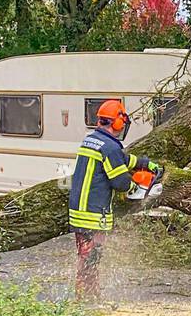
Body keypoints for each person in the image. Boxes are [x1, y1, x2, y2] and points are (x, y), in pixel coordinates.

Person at [68, 98, 162, 300]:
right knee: (90, 260)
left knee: (87, 259)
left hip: (80, 210)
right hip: (92, 215)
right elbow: (120, 182)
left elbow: (122, 159)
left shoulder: (92, 140)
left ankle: (89, 296)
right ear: (117, 123)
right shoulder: (109, 147)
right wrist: (137, 186)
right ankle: (86, 300)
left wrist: (144, 163)